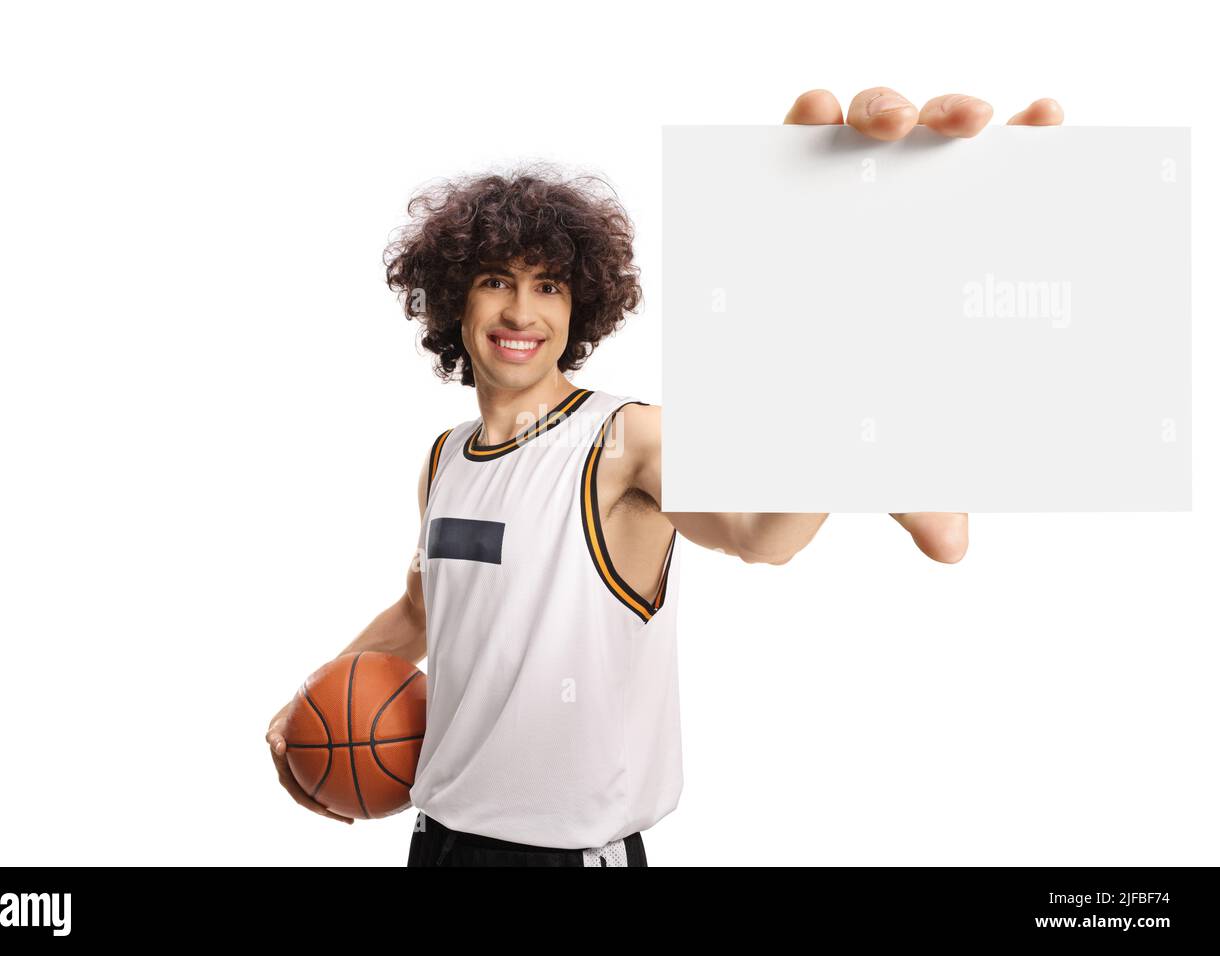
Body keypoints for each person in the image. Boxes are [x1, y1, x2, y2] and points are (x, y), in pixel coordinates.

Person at [266, 87, 1065, 866]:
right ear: (454, 300)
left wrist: (849, 384)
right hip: (435, 840)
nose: (521, 312)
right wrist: (312, 695)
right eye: (495, 281)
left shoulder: (626, 439)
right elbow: (422, 607)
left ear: (582, 309)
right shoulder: (445, 456)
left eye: (549, 285)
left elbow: (762, 534)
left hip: (570, 856)